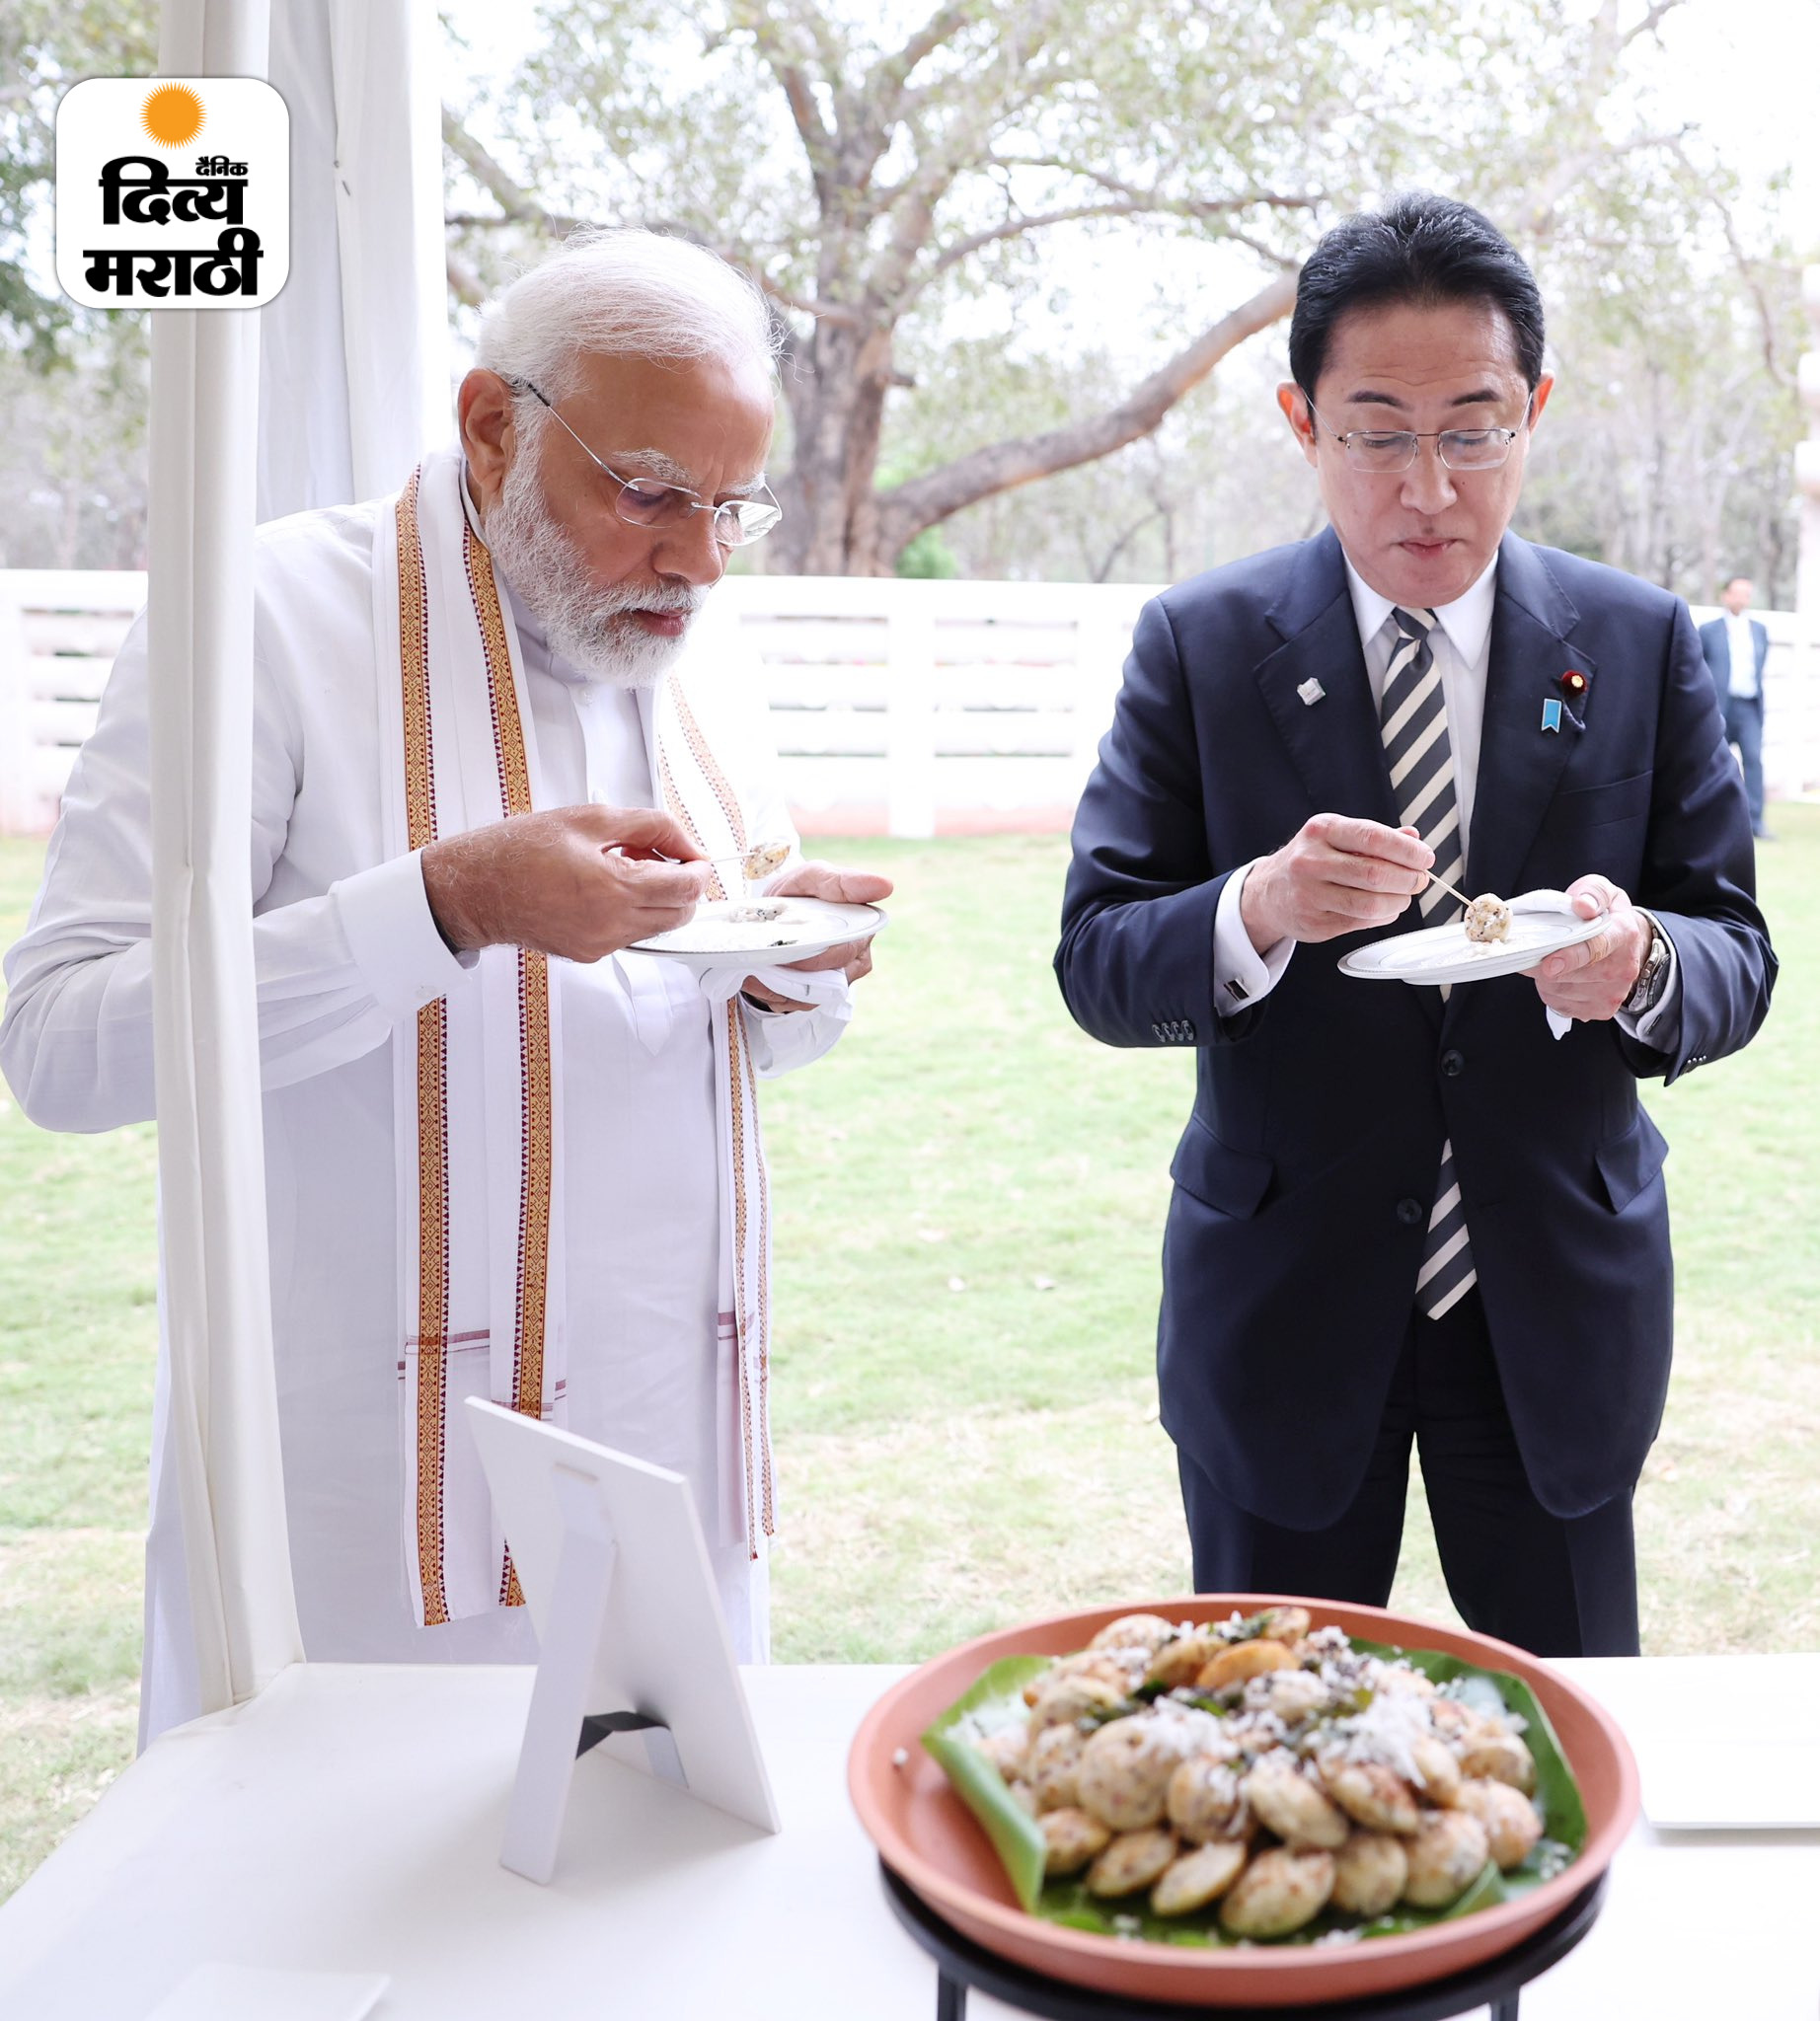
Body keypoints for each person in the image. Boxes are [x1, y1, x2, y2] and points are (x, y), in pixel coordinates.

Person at [1, 229, 891, 1740]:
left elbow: (679, 1039)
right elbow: (64, 1044)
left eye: (731, 505)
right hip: (369, 1497)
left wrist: (789, 976)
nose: (697, 558)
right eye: (651, 491)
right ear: (495, 425)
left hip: (674, 1458)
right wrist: (446, 902)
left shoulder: (691, 652)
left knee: (646, 1934)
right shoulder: (265, 618)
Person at [1055, 194, 1775, 1658]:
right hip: (1287, 1313)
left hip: (1555, 1315)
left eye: (1474, 428)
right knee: (1267, 1762)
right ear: (1302, 423)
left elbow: (1735, 955)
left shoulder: (1638, 643)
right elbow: (1099, 956)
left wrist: (1642, 963)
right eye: (1378, 431)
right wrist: (1255, 908)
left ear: (1536, 413)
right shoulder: (1199, 645)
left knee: (1576, 1748)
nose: (1428, 487)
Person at [1699, 576, 1773, 839]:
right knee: (1713, 763)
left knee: (1753, 761)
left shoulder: (1760, 630)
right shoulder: (1709, 631)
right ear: (1726, 596)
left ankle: (1755, 822)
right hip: (1718, 706)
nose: (1742, 599)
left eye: (1747, 594)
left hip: (1749, 706)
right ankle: (1710, 820)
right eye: (1737, 593)